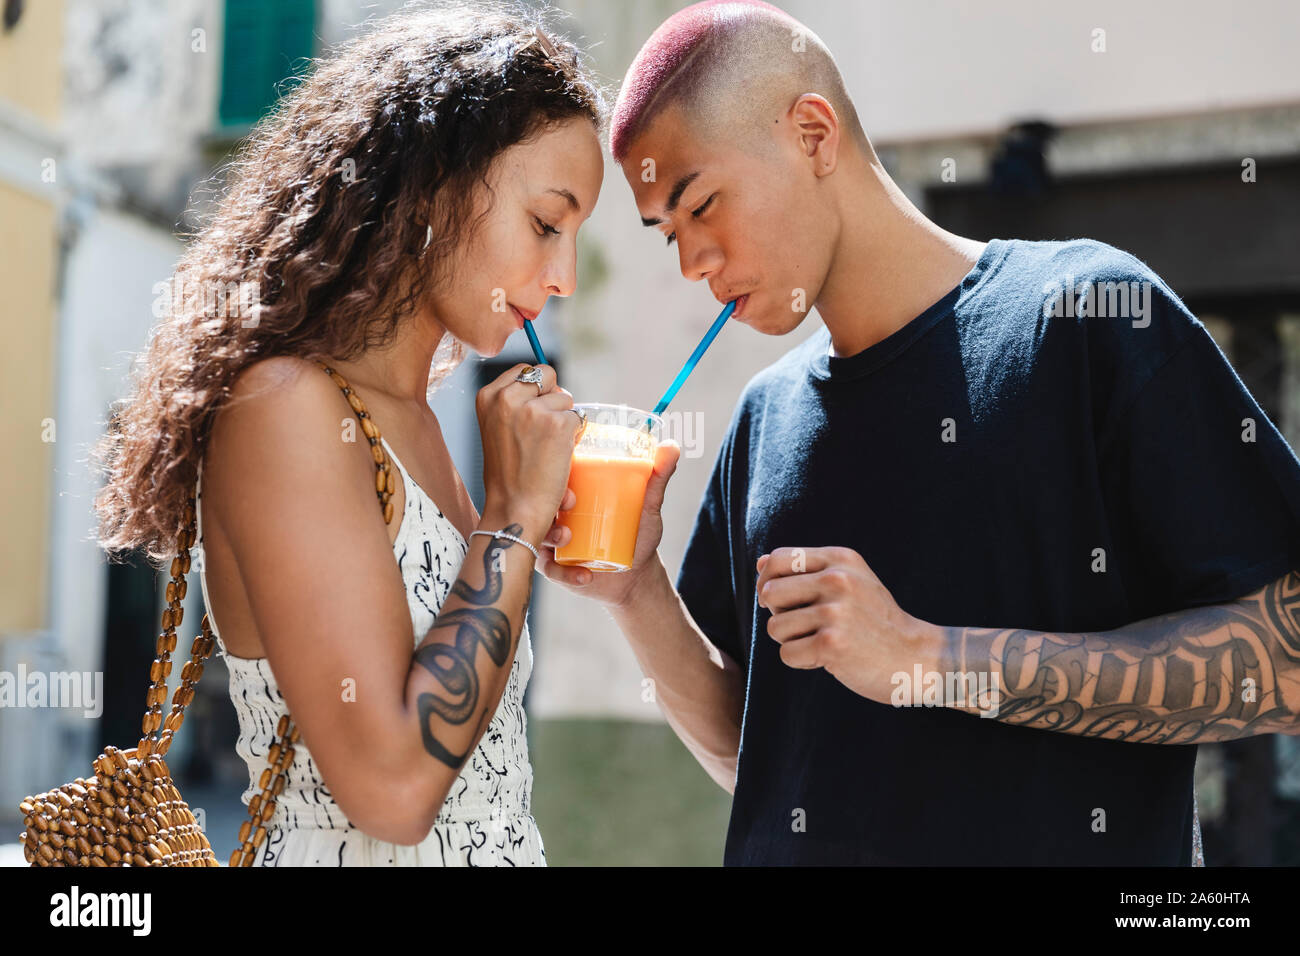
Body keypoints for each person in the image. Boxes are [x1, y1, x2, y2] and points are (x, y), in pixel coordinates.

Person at [536, 0, 1300, 865]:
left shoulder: (1085, 317)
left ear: (813, 135)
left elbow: (1287, 657)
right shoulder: (764, 416)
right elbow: (760, 758)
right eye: (669, 234)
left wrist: (927, 657)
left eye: (703, 204)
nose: (692, 262)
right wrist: (635, 590)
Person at [91, 2, 604, 866]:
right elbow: (394, 791)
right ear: (435, 180)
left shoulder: (416, 423)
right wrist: (511, 517)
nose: (563, 277)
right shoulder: (286, 407)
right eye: (547, 223)